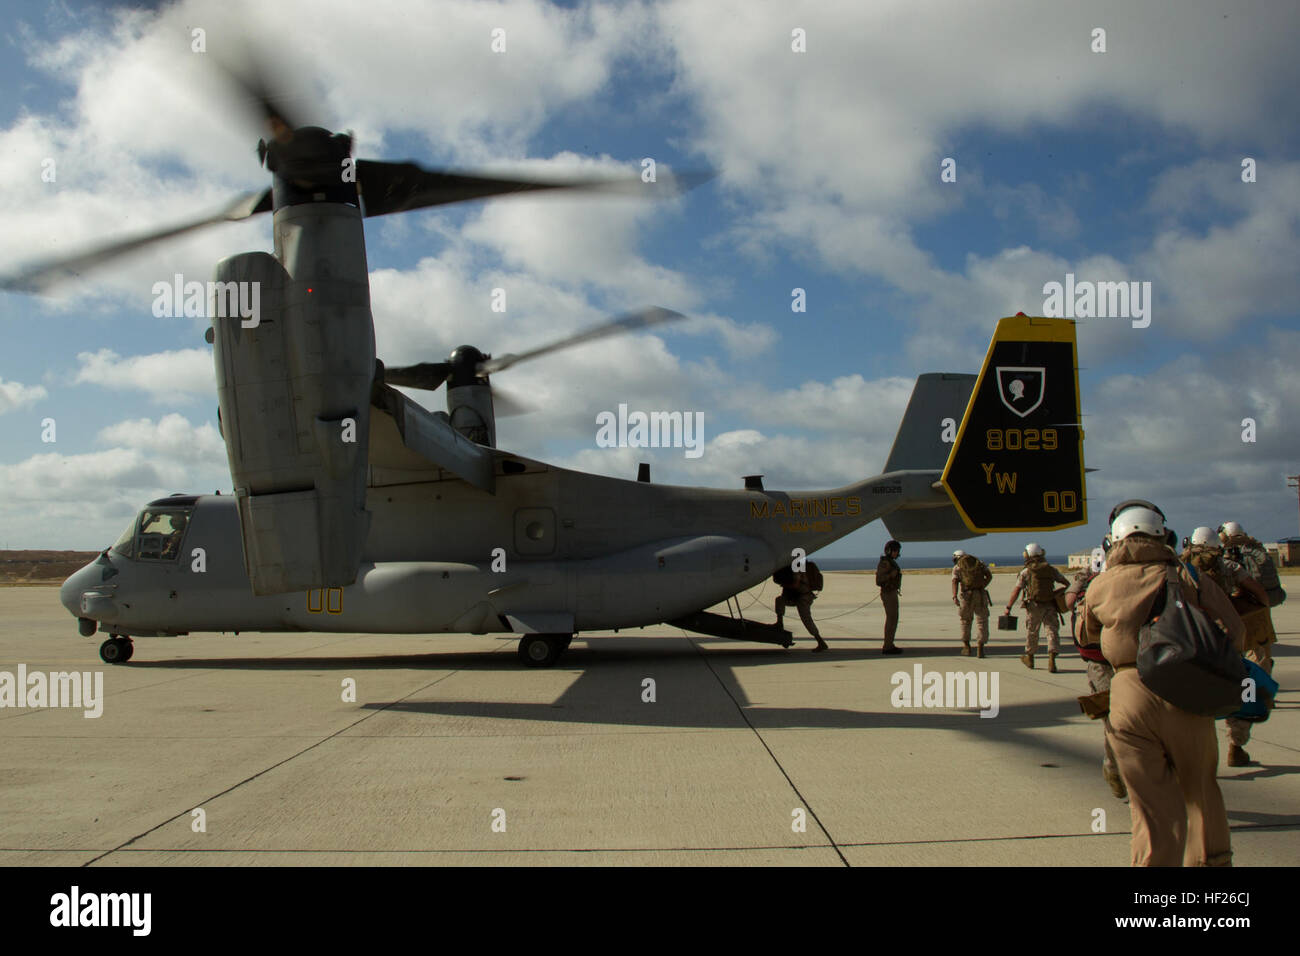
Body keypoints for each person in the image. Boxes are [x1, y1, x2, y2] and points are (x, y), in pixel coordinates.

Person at [1084, 500, 1244, 867]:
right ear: (1165, 535)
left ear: (1114, 541)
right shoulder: (1188, 576)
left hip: (1128, 700)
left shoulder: (1100, 585)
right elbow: (1236, 631)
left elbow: (1087, 637)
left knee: (1151, 809)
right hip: (1186, 691)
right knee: (1200, 792)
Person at [1211, 523, 1279, 766]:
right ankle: (1236, 745)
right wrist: (1261, 611)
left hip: (1202, 635)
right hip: (1238, 626)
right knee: (1246, 677)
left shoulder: (1186, 569)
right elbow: (1258, 589)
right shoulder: (1235, 561)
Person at [1065, 563, 1126, 799]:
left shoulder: (1088, 579)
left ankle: (1113, 766)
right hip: (1134, 658)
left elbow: (1068, 604)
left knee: (1113, 717)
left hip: (1098, 659)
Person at [1003, 543, 1068, 671]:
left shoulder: (1026, 572)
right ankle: (1051, 660)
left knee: (1032, 632)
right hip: (1050, 604)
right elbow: (1066, 583)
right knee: (1052, 631)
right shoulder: (1051, 569)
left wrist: (1008, 607)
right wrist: (1055, 594)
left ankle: (1030, 659)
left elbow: (1016, 591)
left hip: (1033, 605)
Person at [774, 565, 828, 652]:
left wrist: (784, 584)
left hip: (804, 597)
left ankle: (821, 642)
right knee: (780, 600)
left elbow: (795, 585)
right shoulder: (797, 567)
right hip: (797, 596)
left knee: (806, 618)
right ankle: (779, 623)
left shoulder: (797, 568)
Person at [951, 549, 991, 657]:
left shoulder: (957, 567)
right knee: (982, 621)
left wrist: (954, 596)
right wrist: (982, 586)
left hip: (966, 595)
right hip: (980, 594)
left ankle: (966, 647)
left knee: (965, 621)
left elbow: (954, 581)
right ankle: (980, 647)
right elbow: (989, 576)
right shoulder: (979, 564)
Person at [875, 539, 903, 655]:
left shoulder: (890, 562)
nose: (897, 553)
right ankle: (887, 646)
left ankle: (889, 644)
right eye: (896, 551)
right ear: (890, 551)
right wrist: (891, 575)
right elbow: (879, 580)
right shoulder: (885, 563)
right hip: (888, 593)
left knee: (894, 619)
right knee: (891, 619)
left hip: (891, 592)